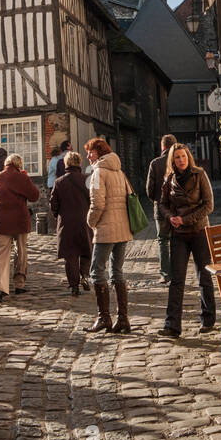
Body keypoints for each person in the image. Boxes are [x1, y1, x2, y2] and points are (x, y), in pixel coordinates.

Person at [158, 143, 216, 338]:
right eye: (177, 157)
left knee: (204, 276)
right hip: (179, 235)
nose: (181, 160)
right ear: (172, 160)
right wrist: (170, 217)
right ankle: (172, 325)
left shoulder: (200, 175)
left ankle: (208, 320)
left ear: (188, 157)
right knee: (177, 280)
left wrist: (186, 219)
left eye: (183, 156)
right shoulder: (169, 179)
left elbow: (209, 205)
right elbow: (163, 205)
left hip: (199, 231)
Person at [85, 136, 133, 334]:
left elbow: (98, 204)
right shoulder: (119, 171)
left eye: (91, 152)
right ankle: (123, 318)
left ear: (100, 153)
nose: (88, 156)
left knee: (97, 271)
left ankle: (104, 317)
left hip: (106, 229)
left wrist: (90, 222)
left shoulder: (98, 172)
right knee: (117, 272)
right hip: (122, 228)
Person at [0, 154, 39, 303]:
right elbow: (34, 195)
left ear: (6, 164)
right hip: (19, 220)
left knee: (1, 254)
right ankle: (19, 284)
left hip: (1, 221)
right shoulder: (22, 177)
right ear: (19, 165)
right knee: (21, 251)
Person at [50, 152, 93, 295]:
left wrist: (58, 215)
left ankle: (74, 285)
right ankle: (85, 275)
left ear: (66, 164)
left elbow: (54, 204)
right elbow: (94, 200)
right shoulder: (87, 179)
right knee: (87, 250)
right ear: (79, 163)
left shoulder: (59, 182)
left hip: (67, 223)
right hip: (85, 221)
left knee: (71, 255)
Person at [145, 133, 178, 285]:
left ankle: (165, 274)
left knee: (163, 240)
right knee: (177, 240)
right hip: (178, 208)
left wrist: (156, 200)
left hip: (160, 208)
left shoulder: (155, 163)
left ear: (162, 147)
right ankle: (178, 272)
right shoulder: (180, 161)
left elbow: (149, 189)